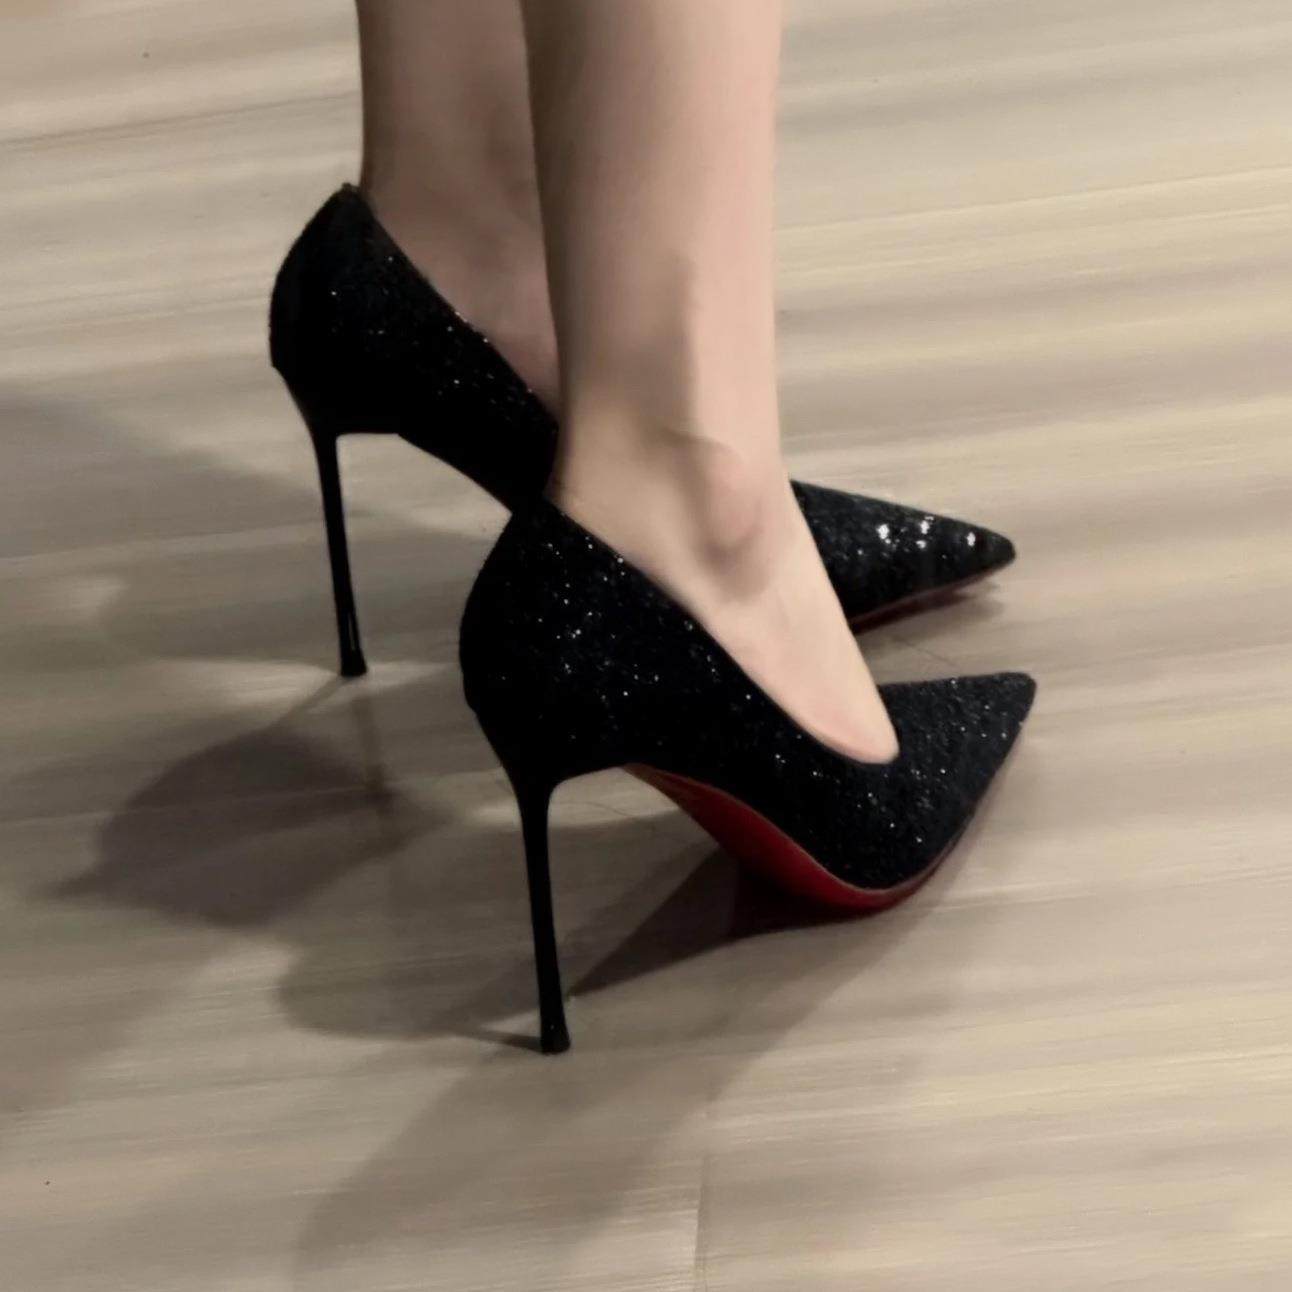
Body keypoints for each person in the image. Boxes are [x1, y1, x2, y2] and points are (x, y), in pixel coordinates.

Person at [270, 1, 1034, 1052]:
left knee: (472, 181)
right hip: (650, 542)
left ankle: (454, 229)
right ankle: (687, 497)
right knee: (668, 457)